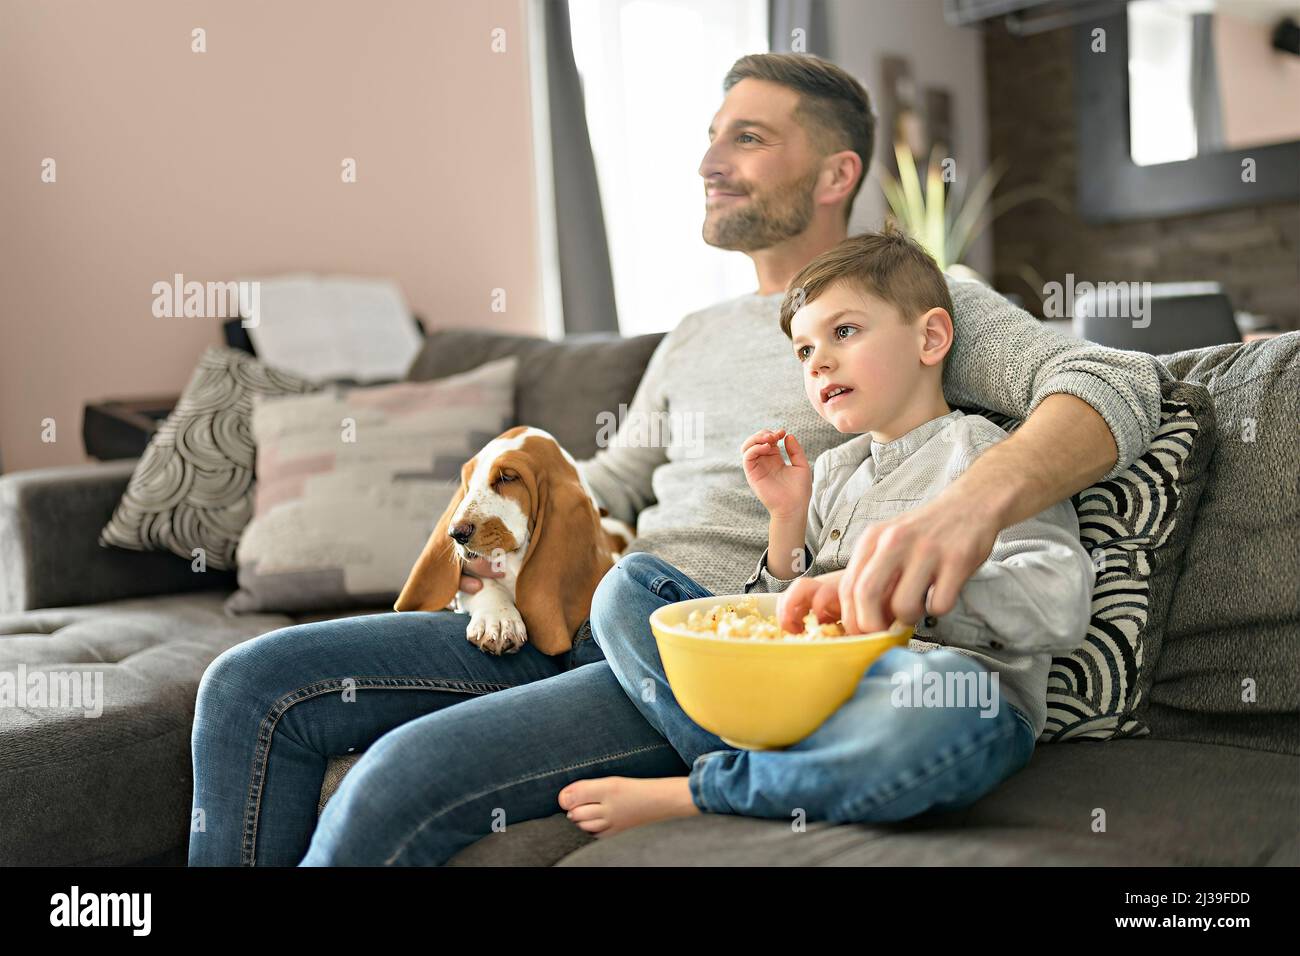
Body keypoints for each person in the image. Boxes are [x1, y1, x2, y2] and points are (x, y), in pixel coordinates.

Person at [188, 52, 1167, 866]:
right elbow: (610, 483)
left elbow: (1117, 384)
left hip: (709, 644)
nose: (709, 158)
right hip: (585, 607)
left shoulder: (914, 296)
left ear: (834, 174)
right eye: (710, 133)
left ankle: (727, 766)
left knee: (394, 782)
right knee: (247, 686)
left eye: (747, 136)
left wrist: (969, 510)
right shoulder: (693, 333)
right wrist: (504, 517)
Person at [557, 226, 1095, 834]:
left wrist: (901, 594)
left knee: (940, 701)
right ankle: (769, 775)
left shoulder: (987, 457)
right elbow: (783, 616)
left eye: (844, 332)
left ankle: (713, 786)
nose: (821, 363)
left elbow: (1060, 598)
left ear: (931, 337)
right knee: (629, 585)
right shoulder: (835, 471)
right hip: (808, 689)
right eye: (804, 352)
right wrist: (786, 520)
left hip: (925, 690)